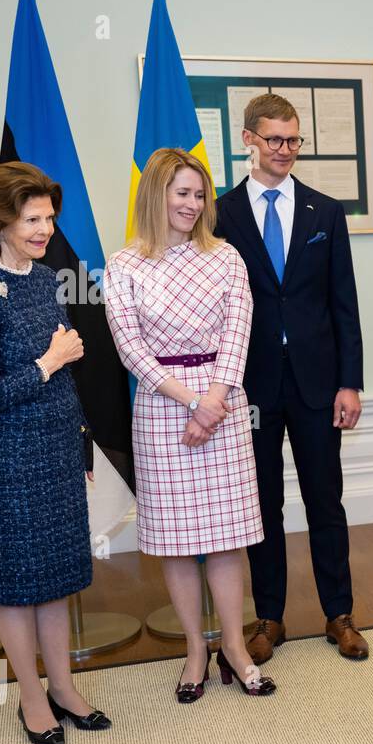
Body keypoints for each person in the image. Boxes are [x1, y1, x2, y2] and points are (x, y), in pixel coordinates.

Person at [0, 161, 110, 744]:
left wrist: (80, 438)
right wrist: (50, 361)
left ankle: (64, 688)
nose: (45, 229)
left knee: (57, 575)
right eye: (33, 218)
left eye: (49, 217)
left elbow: (65, 373)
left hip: (55, 446)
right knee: (19, 581)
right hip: (4, 458)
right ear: (0, 220)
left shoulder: (44, 278)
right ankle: (32, 697)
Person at [104, 148, 273, 699]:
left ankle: (235, 646)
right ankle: (195, 650)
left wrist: (213, 400)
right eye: (182, 193)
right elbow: (130, 349)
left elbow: (238, 332)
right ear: (156, 194)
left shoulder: (225, 257)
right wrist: (188, 402)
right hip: (160, 409)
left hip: (222, 401)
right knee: (177, 542)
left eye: (199, 194)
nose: (193, 203)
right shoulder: (124, 265)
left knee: (227, 538)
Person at [213, 93, 368, 664]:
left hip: (317, 383)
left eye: (294, 139)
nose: (285, 150)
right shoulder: (220, 214)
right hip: (248, 385)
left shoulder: (325, 213)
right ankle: (269, 617)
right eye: (274, 139)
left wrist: (349, 382)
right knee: (262, 505)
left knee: (326, 500)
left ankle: (340, 614)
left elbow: (343, 304)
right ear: (248, 138)